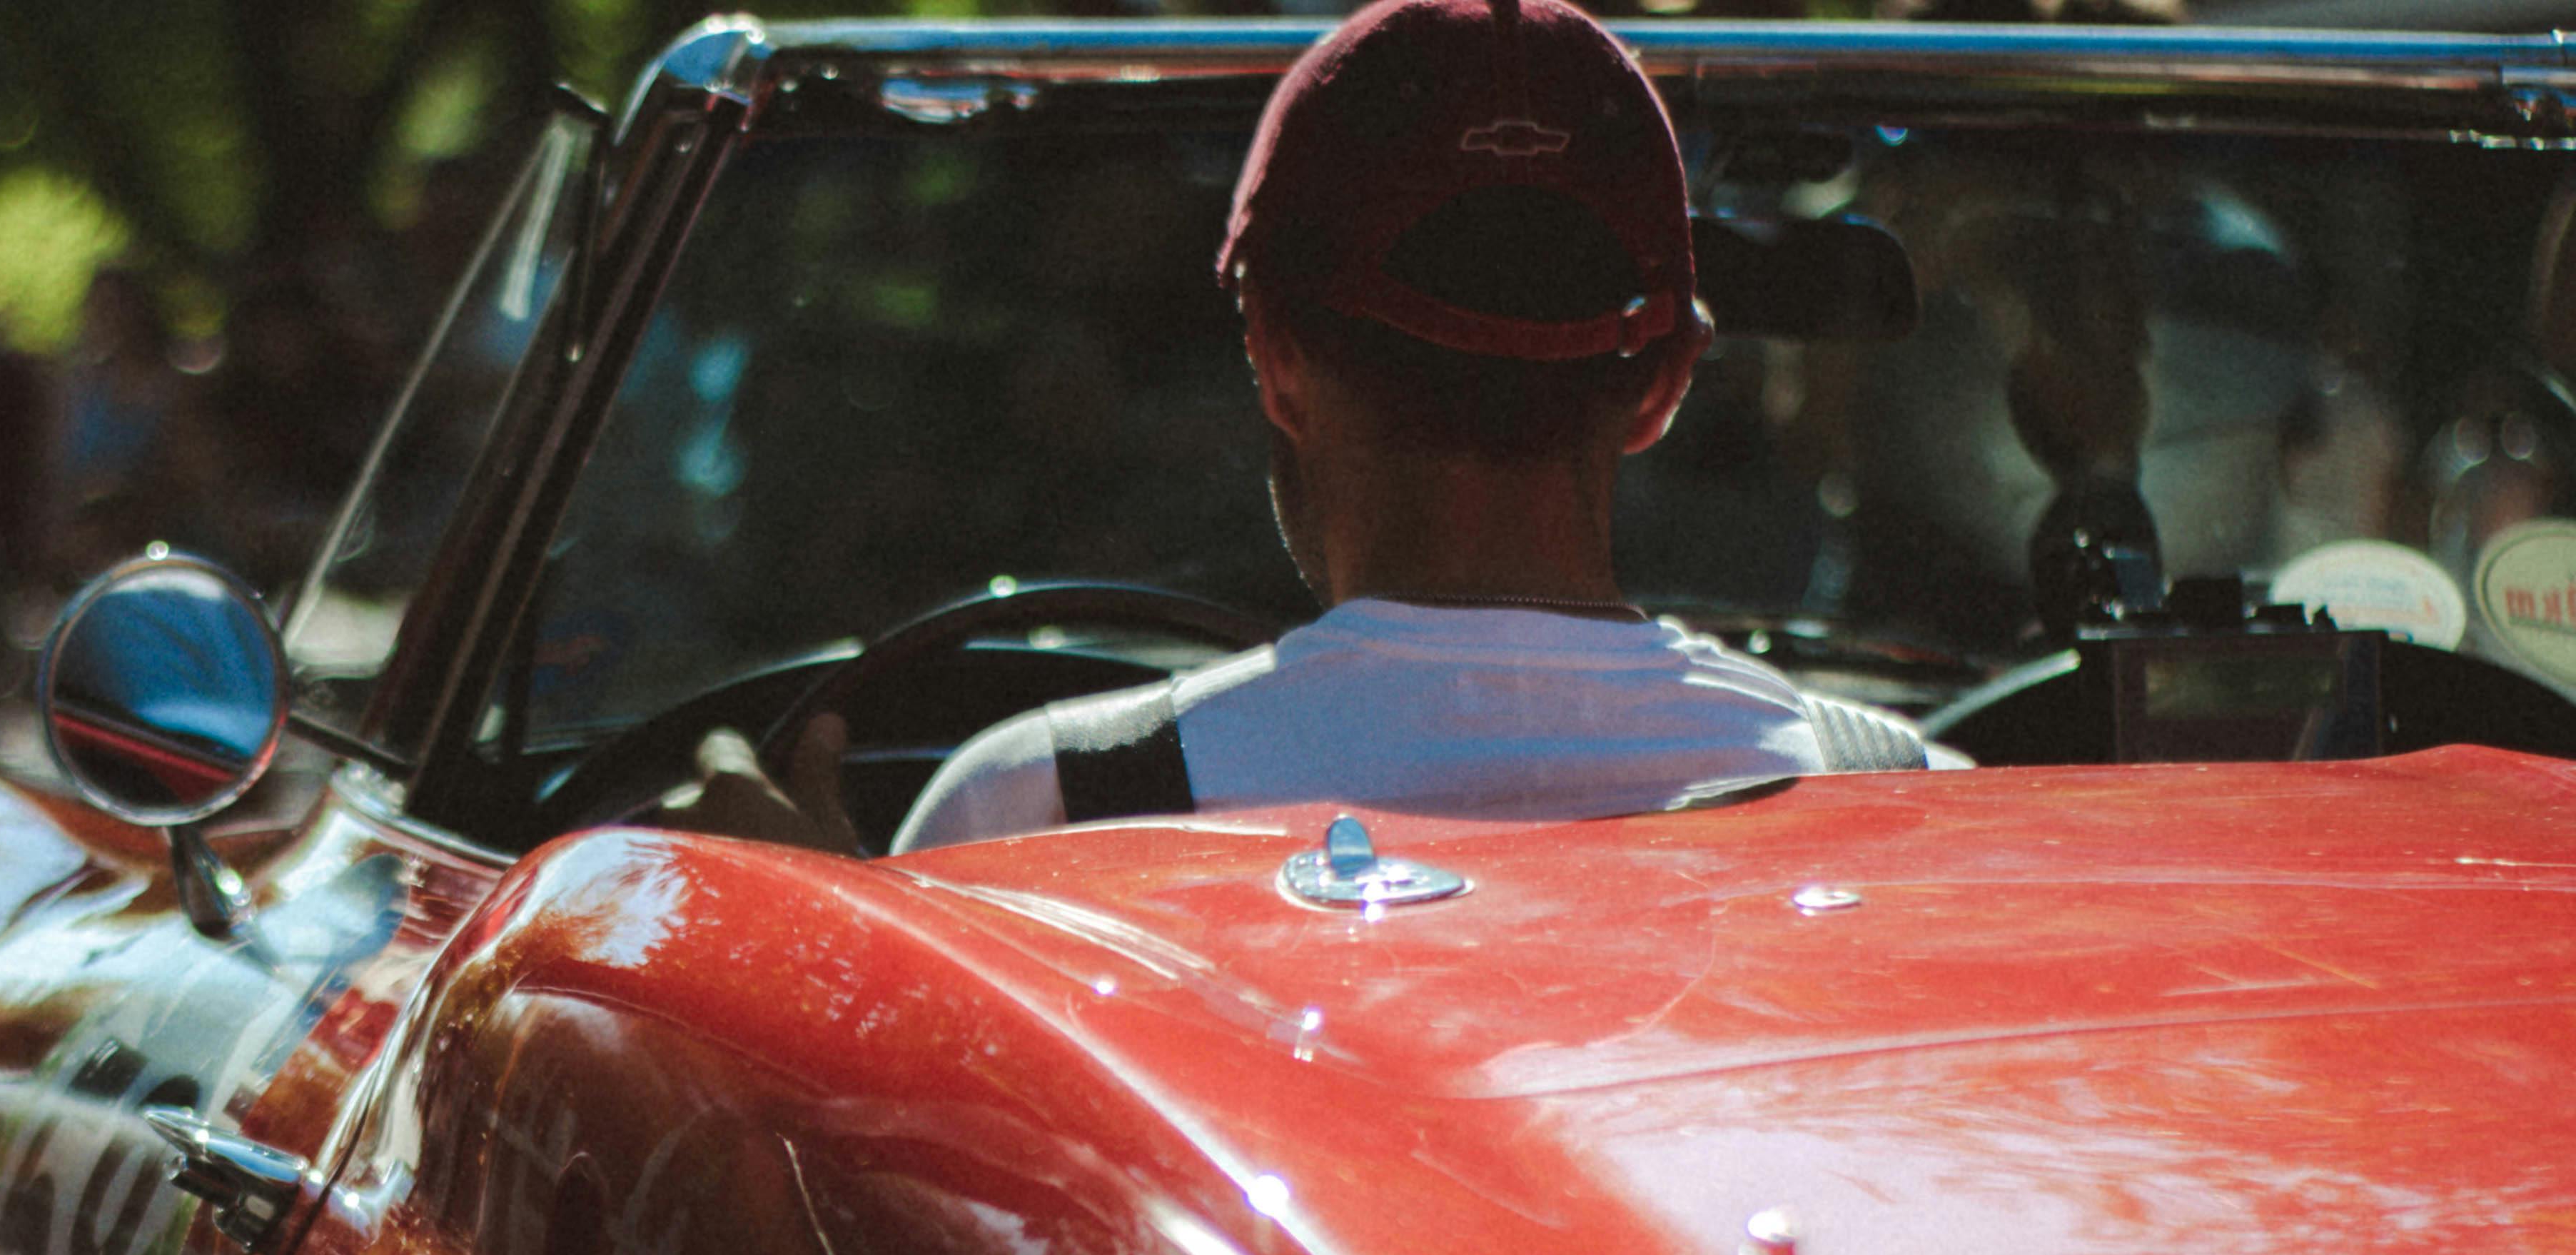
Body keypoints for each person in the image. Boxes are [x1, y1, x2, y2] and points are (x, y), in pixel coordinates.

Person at [687, 0, 1942, 855]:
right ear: (1666, 380)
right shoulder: (1910, 806)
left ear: (1277, 362)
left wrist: (794, 972)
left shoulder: (1045, 816)